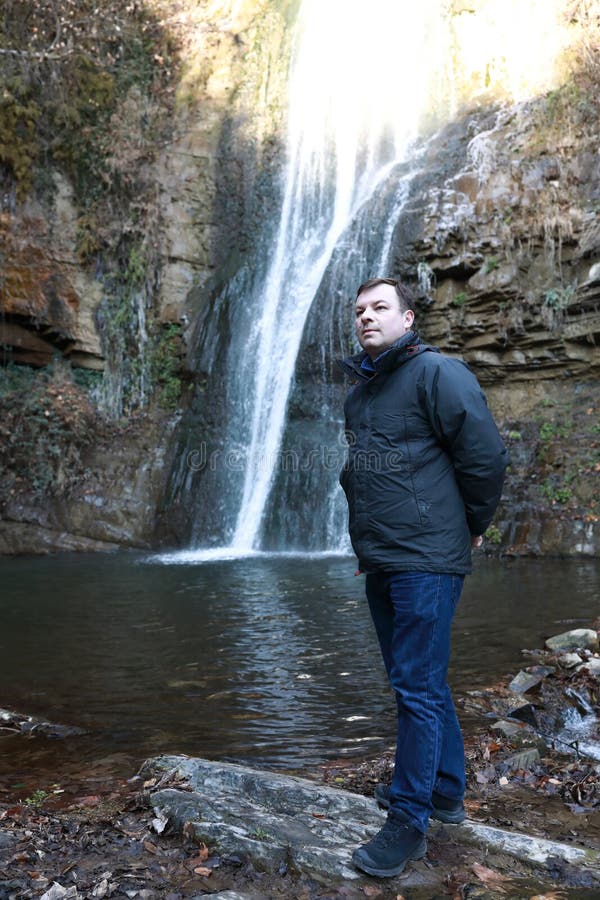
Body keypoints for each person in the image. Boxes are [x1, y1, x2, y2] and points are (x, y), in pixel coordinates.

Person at [338, 277, 508, 878]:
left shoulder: (439, 373)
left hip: (427, 559)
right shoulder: (362, 391)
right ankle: (445, 791)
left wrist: (474, 525)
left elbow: (485, 456)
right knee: (419, 681)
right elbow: (360, 472)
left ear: (408, 319)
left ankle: (408, 824)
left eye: (380, 307)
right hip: (383, 558)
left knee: (413, 687)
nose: (366, 317)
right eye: (359, 310)